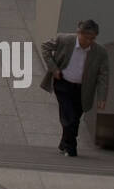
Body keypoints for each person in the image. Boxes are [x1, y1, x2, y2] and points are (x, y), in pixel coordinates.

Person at [39, 19, 110, 157]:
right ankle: (71, 148)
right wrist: (53, 68)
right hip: (63, 84)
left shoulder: (100, 52)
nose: (88, 41)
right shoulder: (64, 40)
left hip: (83, 90)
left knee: (74, 119)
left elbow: (103, 75)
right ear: (79, 33)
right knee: (69, 117)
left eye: (92, 38)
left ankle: (63, 143)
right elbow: (45, 47)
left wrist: (102, 97)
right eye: (86, 37)